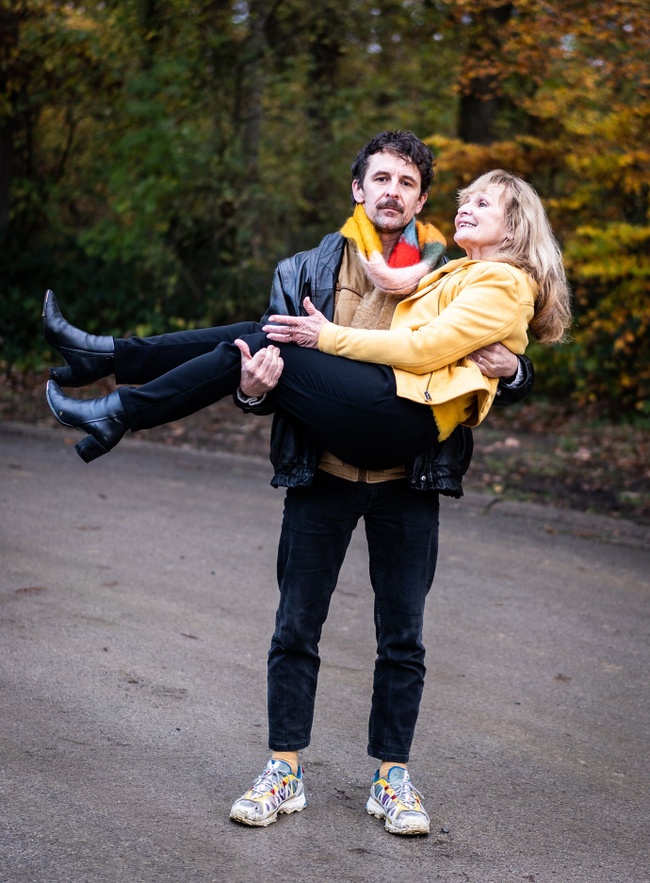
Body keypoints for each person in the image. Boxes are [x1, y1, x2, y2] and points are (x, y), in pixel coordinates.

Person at [42, 133, 560, 835]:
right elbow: (261, 378)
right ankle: (284, 769)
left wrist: (516, 368)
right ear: (357, 188)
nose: (391, 191)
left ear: (419, 199)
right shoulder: (312, 268)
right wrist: (255, 391)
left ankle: (392, 778)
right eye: (379, 178)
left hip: (410, 471)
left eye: (407, 182)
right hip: (324, 466)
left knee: (401, 636)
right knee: (296, 624)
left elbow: (463, 345)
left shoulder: (453, 262)